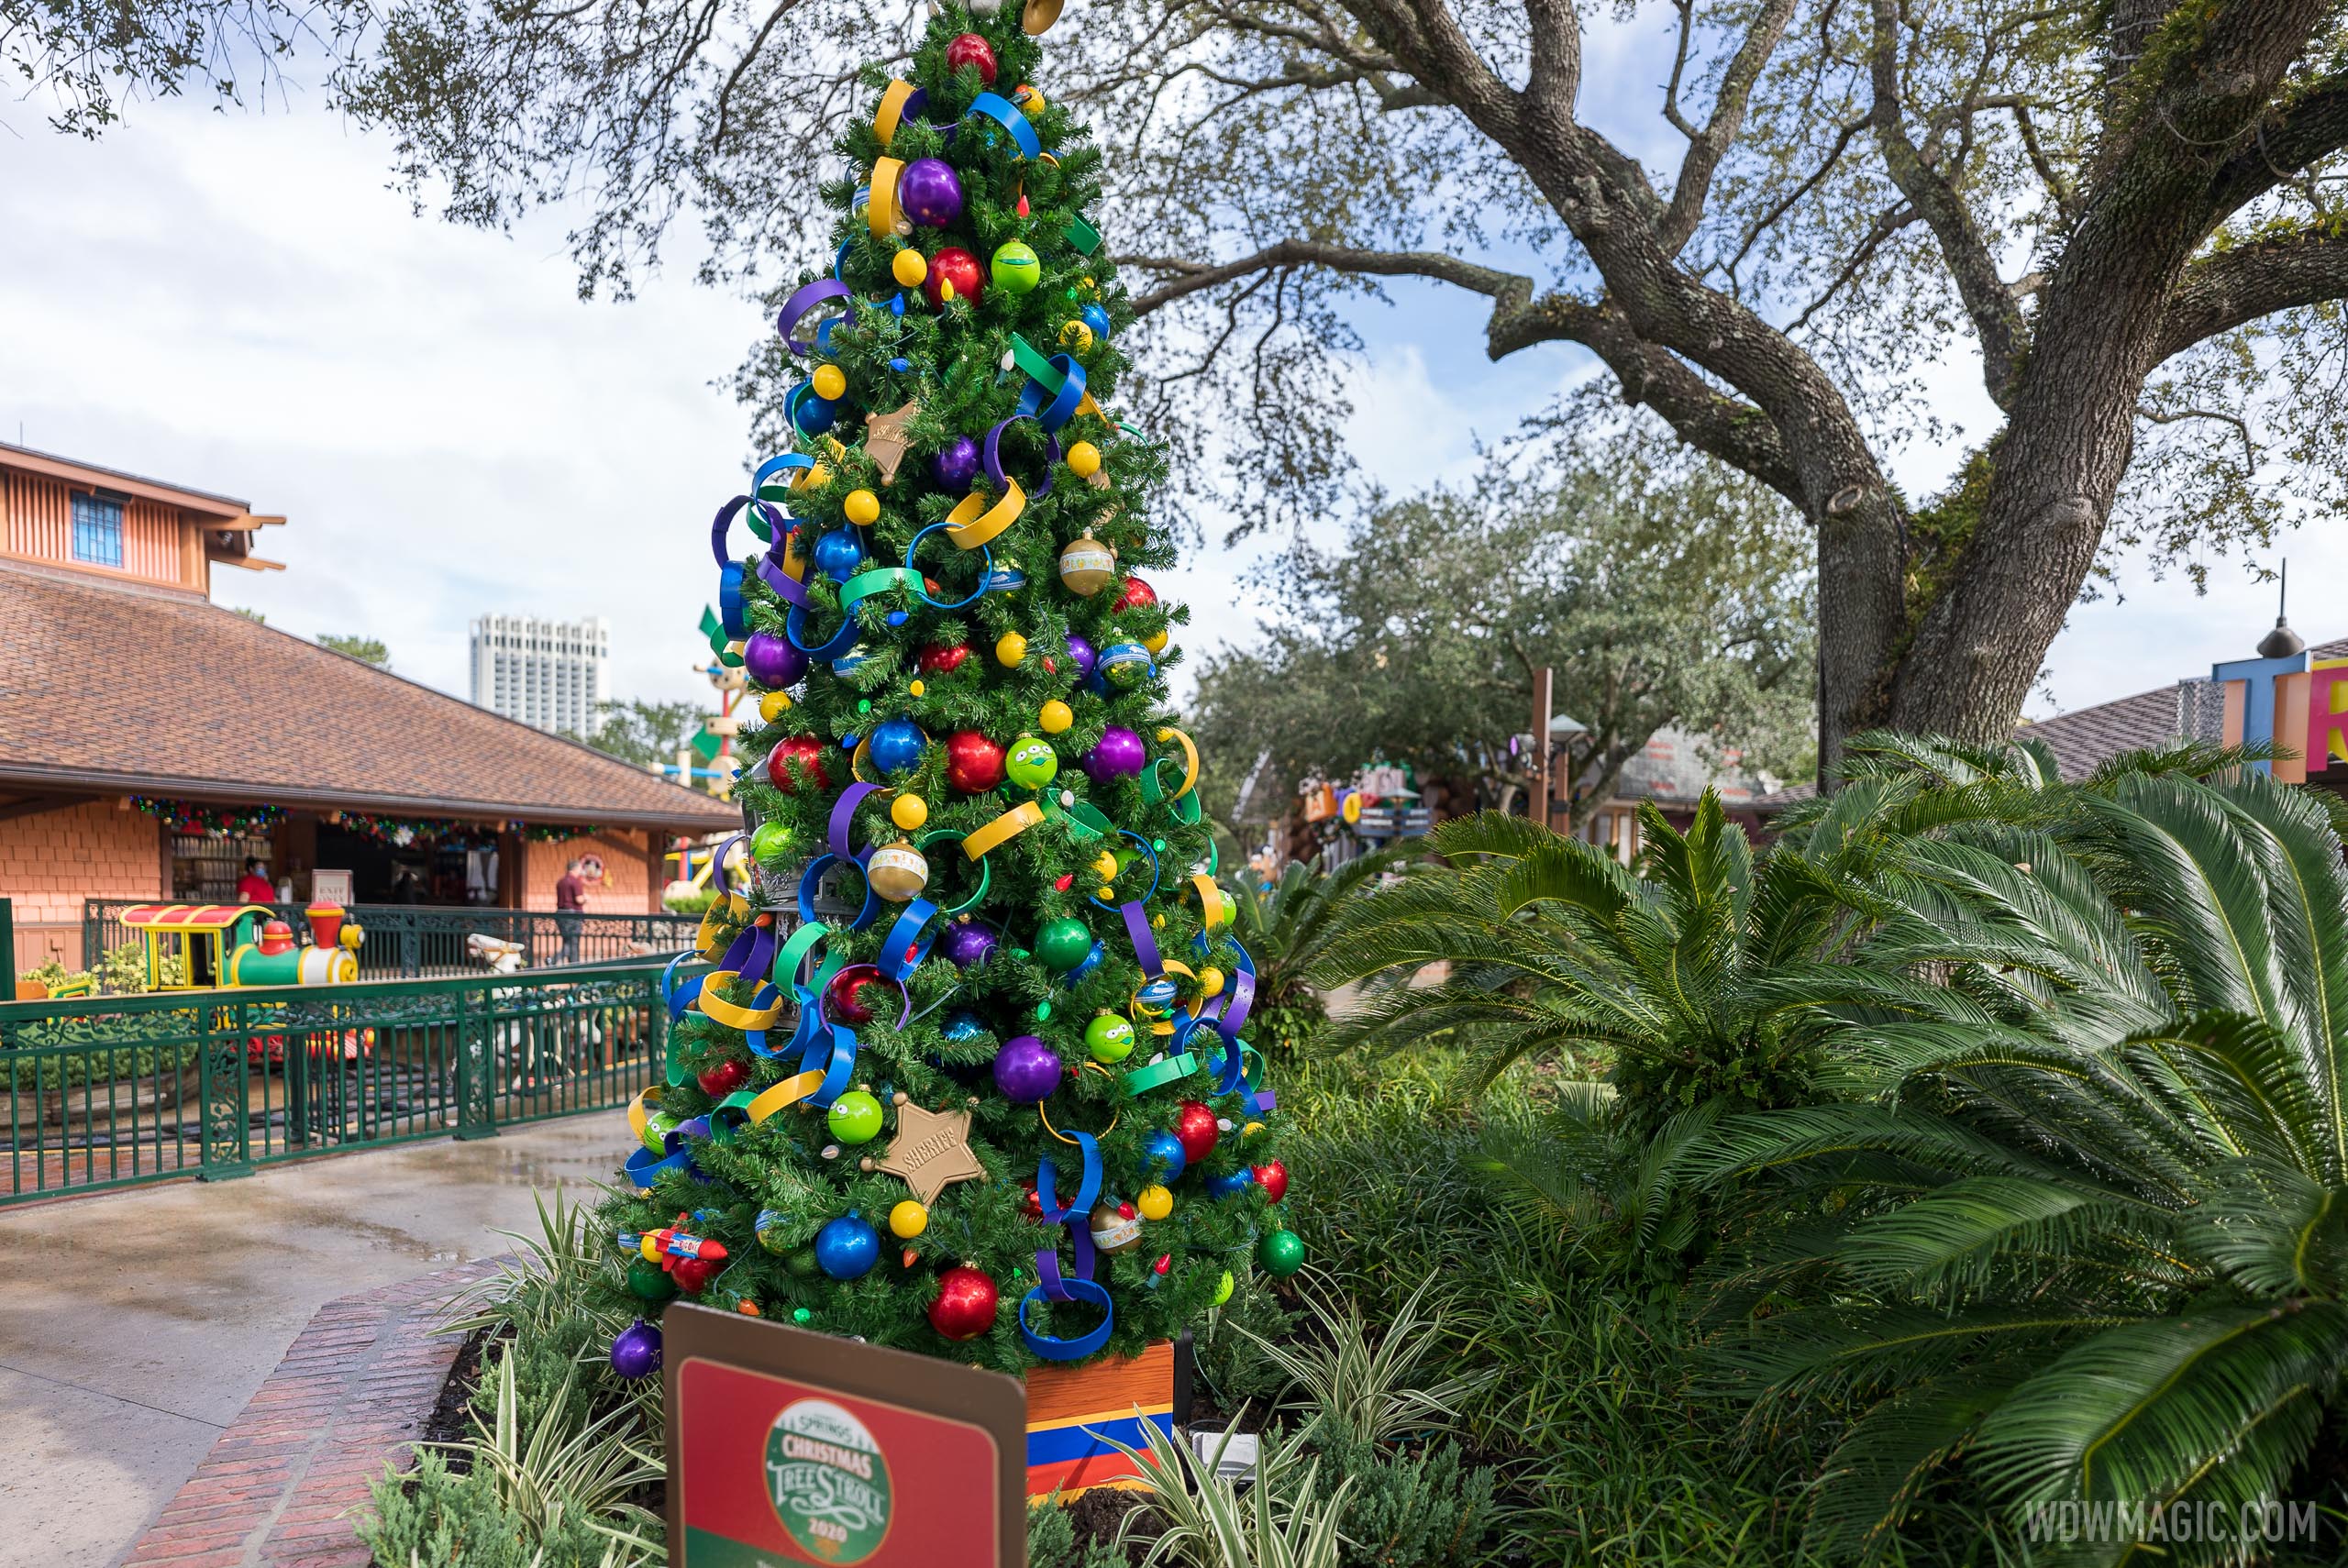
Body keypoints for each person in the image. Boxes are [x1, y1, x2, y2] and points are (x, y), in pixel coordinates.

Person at [554, 858, 587, 964]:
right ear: (575, 868)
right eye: (580, 869)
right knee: (573, 942)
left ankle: (571, 965)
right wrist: (586, 898)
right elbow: (579, 899)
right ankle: (571, 966)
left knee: (568, 941)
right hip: (572, 915)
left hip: (560, 913)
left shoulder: (561, 882)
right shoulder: (575, 881)